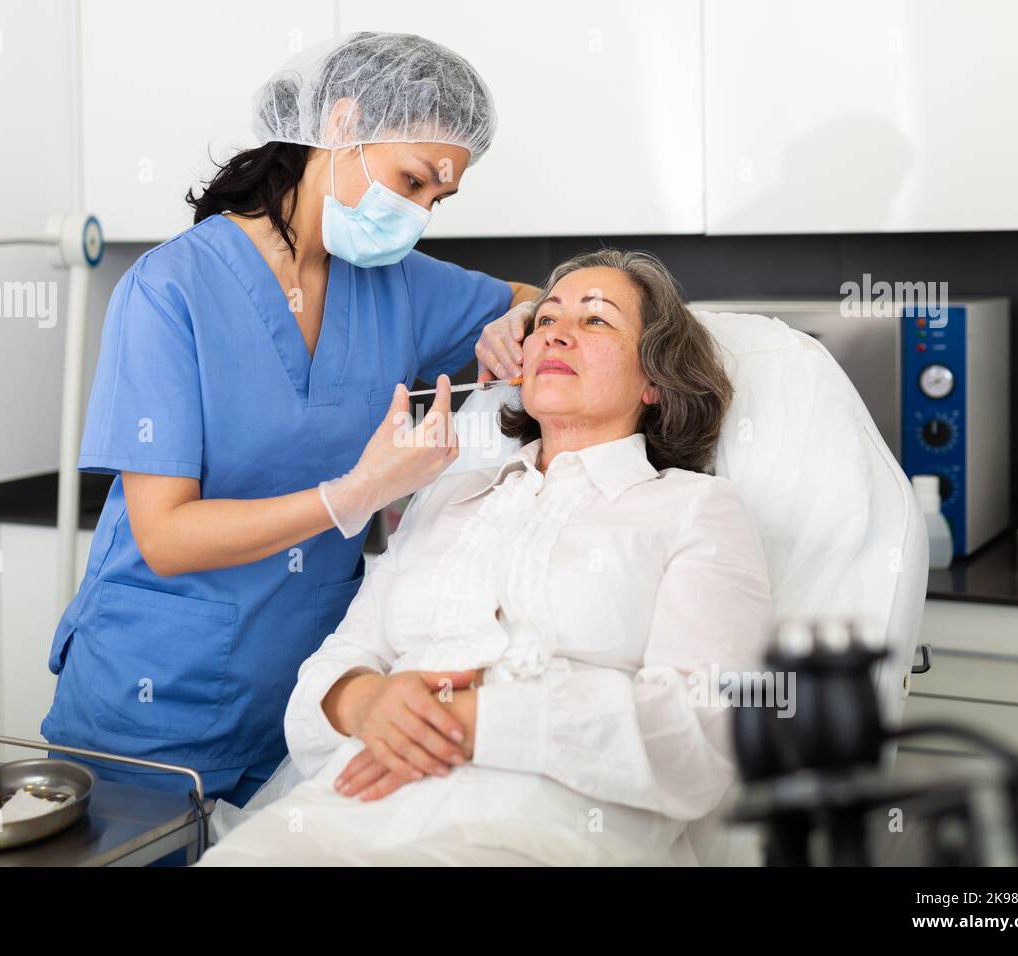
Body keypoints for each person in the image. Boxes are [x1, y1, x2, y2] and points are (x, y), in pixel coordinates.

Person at [40, 32, 542, 806]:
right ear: (340, 125)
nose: (416, 216)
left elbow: (523, 299)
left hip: (304, 705)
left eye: (435, 199)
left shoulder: (394, 283)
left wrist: (522, 321)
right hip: (151, 703)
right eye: (410, 180)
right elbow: (167, 537)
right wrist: (357, 493)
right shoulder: (170, 291)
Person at [198, 249, 775, 865]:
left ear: (655, 381)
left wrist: (472, 721)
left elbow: (704, 733)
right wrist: (366, 702)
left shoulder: (696, 510)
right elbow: (335, 666)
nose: (556, 333)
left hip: (545, 828)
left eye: (596, 321)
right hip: (348, 811)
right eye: (545, 320)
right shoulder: (450, 497)